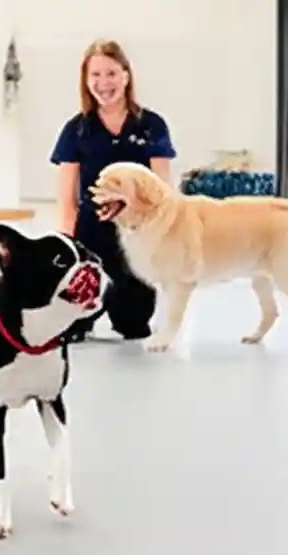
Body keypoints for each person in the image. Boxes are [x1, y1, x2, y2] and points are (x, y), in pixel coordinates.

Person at [50, 39, 177, 341]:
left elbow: (163, 191)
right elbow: (67, 198)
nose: (103, 83)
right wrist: (69, 249)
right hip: (92, 233)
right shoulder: (76, 129)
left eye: (111, 73)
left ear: (126, 76)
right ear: (86, 80)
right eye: (95, 75)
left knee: (133, 326)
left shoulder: (151, 125)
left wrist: (161, 240)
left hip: (135, 235)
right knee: (74, 327)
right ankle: (82, 316)